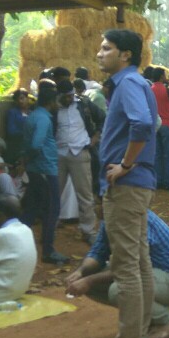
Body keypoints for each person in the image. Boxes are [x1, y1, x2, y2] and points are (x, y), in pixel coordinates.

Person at [87, 29, 159, 338]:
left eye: (106, 48)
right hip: (138, 182)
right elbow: (152, 122)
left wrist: (126, 164)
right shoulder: (137, 83)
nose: (100, 54)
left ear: (125, 55)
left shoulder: (127, 83)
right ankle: (140, 336)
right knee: (140, 260)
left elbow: (144, 125)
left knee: (127, 264)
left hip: (127, 183)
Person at [66, 212, 169, 338]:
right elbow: (98, 251)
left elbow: (129, 266)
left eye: (98, 202)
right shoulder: (112, 216)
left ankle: (166, 321)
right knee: (90, 276)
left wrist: (89, 280)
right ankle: (148, 317)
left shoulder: (133, 218)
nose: (95, 208)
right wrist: (81, 272)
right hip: (152, 274)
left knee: (121, 289)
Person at [21, 87, 66, 265]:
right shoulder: (43, 119)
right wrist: (30, 160)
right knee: (51, 209)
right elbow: (36, 144)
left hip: (36, 168)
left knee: (32, 209)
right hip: (44, 169)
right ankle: (48, 250)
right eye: (55, 101)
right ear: (50, 102)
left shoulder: (34, 115)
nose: (57, 104)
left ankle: (11, 239)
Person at [55, 79, 99, 243]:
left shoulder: (83, 105)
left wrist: (94, 138)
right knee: (54, 192)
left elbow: (102, 117)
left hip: (79, 152)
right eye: (66, 96)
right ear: (59, 95)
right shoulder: (54, 108)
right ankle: (51, 224)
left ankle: (88, 230)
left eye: (71, 95)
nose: (69, 98)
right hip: (59, 153)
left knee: (85, 193)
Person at [150, 67, 169, 190]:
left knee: (157, 154)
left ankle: (158, 181)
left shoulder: (150, 89)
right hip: (168, 124)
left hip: (155, 125)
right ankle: (168, 182)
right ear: (162, 77)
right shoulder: (167, 89)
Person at [4, 88, 31, 166]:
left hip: (28, 147)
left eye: (22, 98)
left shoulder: (32, 113)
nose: (20, 101)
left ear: (27, 98)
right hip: (16, 147)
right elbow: (11, 131)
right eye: (17, 99)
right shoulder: (13, 113)